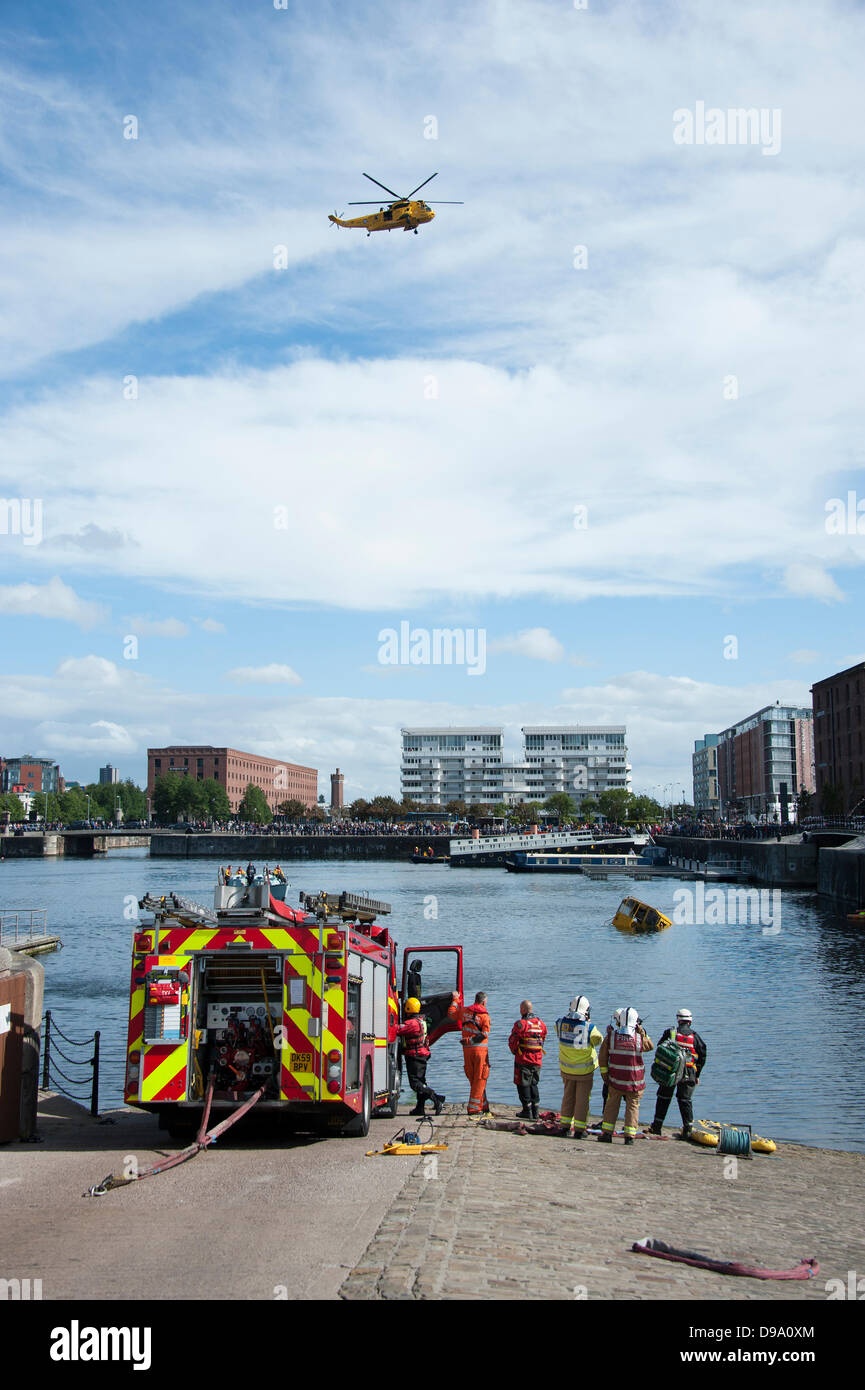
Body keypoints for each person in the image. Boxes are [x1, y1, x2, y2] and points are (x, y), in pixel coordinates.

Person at [648, 1007, 707, 1139]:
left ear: (678, 1020)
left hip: (671, 1072)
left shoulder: (670, 1033)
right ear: (690, 1022)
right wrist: (697, 1075)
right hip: (689, 1073)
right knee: (685, 1100)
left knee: (663, 1098)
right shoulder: (695, 1037)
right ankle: (687, 1130)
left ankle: (657, 1127)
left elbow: (660, 1048)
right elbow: (703, 1055)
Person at [597, 1007, 653, 1145]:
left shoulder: (611, 1037)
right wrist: (642, 1032)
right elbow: (650, 1046)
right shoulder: (639, 1039)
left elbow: (602, 1058)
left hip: (615, 1080)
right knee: (633, 1108)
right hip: (635, 1082)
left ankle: (607, 1134)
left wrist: (605, 1076)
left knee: (611, 1106)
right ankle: (629, 1137)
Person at [554, 995, 603, 1137]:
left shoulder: (560, 1023)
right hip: (584, 1070)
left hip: (566, 1068)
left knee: (568, 1097)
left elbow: (558, 1031)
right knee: (582, 1100)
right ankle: (580, 1130)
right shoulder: (589, 1027)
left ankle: (565, 1126)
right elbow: (599, 1039)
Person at [393, 997, 445, 1116]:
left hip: (415, 1056)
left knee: (416, 1084)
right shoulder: (421, 1020)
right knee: (421, 1082)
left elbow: (396, 1030)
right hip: (422, 1055)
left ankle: (437, 1099)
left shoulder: (411, 1024)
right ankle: (420, 1108)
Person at [508, 1000, 547, 1120]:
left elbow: (513, 1041)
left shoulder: (521, 1024)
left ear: (523, 1010)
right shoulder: (541, 1024)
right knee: (534, 1084)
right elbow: (543, 1038)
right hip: (537, 1059)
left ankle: (527, 1110)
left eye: (521, 1009)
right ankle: (535, 1112)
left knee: (523, 1084)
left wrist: (515, 1051)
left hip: (523, 1059)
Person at [459, 991, 491, 1115]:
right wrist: (471, 1040)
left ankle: (483, 1104)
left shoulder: (464, 1011)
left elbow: (451, 1014)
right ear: (484, 1002)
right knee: (480, 1078)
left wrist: (456, 1000)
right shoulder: (484, 1016)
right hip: (479, 1051)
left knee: (473, 1077)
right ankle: (474, 1108)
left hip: (467, 1050)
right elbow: (484, 1034)